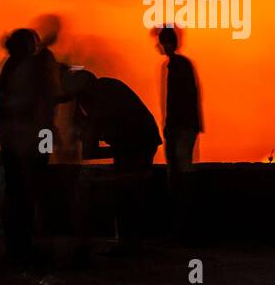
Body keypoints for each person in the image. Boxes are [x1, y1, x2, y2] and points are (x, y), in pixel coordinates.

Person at [62, 68, 161, 256]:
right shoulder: (108, 86)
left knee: (127, 192)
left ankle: (130, 245)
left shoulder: (96, 98)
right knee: (132, 191)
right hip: (140, 141)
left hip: (135, 143)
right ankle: (132, 243)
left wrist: (81, 137)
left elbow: (93, 140)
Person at [0, 28, 60, 268]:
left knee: (18, 194)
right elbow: (28, 104)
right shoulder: (21, 69)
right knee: (26, 195)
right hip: (25, 144)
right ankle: (23, 249)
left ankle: (17, 247)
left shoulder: (10, 67)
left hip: (14, 143)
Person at [157, 26, 202, 237]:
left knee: (179, 172)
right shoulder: (180, 65)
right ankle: (185, 225)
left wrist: (170, 125)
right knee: (183, 170)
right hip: (186, 125)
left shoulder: (176, 66)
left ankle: (183, 225)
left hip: (181, 126)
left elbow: (177, 100)